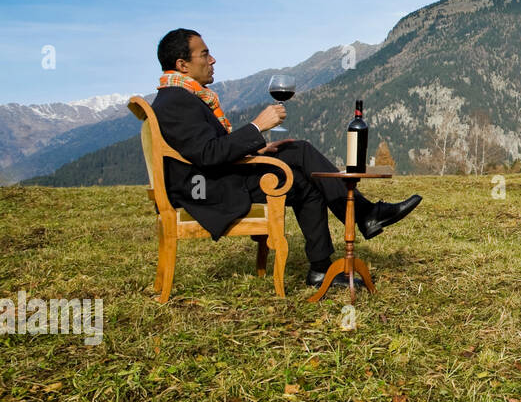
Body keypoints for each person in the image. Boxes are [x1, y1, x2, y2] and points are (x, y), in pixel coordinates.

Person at [152, 28, 421, 289]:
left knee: (304, 173)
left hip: (214, 181)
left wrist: (256, 151)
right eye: (204, 54)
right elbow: (208, 154)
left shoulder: (180, 96)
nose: (212, 60)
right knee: (301, 156)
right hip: (205, 193)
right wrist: (257, 127)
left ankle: (324, 266)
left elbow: (205, 149)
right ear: (182, 64)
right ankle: (364, 217)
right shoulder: (177, 100)